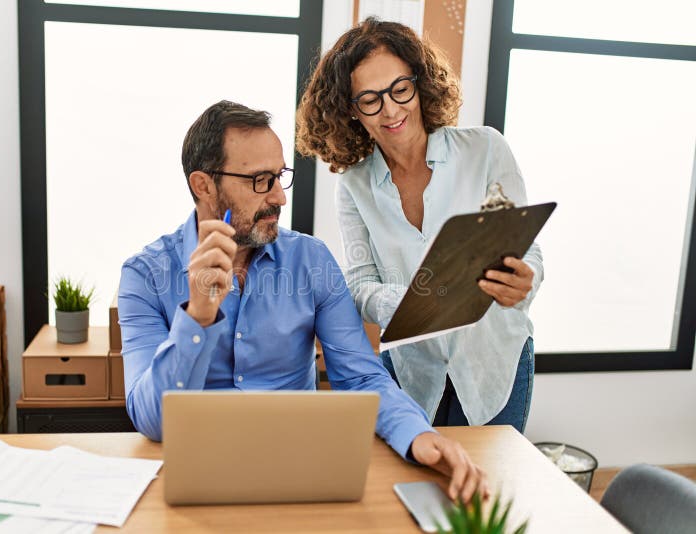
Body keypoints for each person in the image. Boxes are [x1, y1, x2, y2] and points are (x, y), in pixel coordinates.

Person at [118, 100, 487, 502]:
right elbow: (153, 421)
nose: (279, 197)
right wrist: (198, 314)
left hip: (297, 470)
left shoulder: (311, 261)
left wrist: (418, 436)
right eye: (260, 180)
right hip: (195, 476)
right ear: (203, 185)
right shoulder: (145, 275)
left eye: (280, 177)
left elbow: (360, 377)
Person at [295, 18, 543, 433]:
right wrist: (416, 303)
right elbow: (359, 285)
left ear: (420, 83)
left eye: (399, 89)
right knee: (411, 487)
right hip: (411, 369)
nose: (391, 110)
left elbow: (526, 247)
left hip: (494, 363)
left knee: (482, 494)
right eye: (370, 99)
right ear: (351, 111)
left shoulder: (485, 149)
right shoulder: (354, 185)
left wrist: (526, 280)